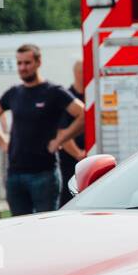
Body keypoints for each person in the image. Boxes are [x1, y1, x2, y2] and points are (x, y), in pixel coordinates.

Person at [0, 44, 85, 215]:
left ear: (39, 62)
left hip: (44, 173)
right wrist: (3, 142)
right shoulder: (14, 93)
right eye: (19, 63)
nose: (22, 68)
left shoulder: (53, 92)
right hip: (15, 174)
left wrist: (60, 140)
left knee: (45, 227)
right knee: (18, 227)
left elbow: (83, 114)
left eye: (27, 63)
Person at [56, 58, 88, 197]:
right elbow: (61, 133)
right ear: (77, 73)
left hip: (90, 158)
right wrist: (79, 154)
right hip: (71, 162)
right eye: (84, 72)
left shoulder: (93, 95)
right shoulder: (67, 99)